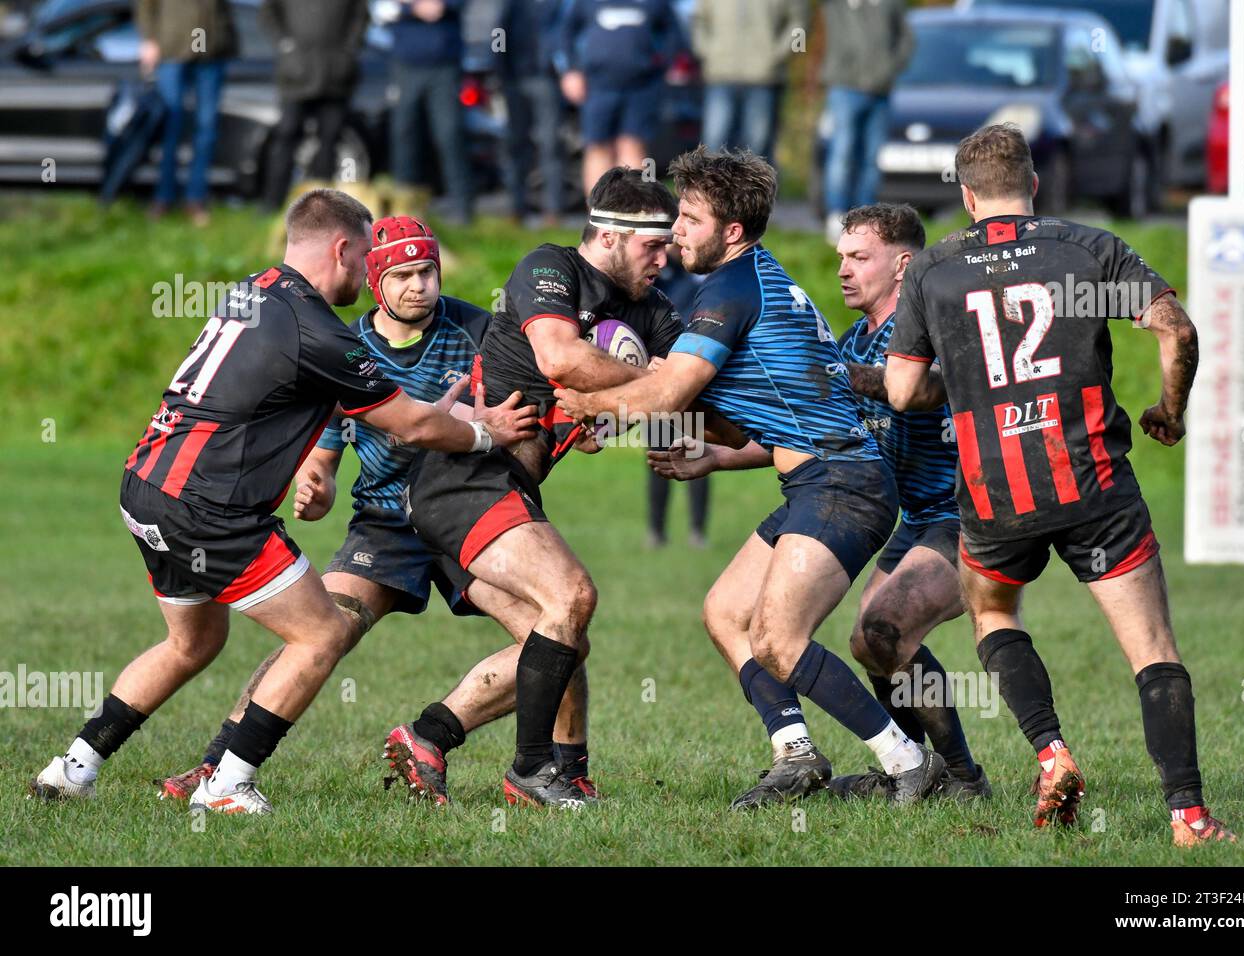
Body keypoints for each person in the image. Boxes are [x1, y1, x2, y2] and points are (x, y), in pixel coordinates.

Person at [28, 190, 536, 814]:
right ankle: (227, 786)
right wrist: (488, 432)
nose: (371, 274)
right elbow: (415, 425)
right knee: (320, 632)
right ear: (344, 250)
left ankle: (72, 768)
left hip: (145, 486)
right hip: (208, 507)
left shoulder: (252, 290)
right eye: (369, 259)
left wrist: (315, 469)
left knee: (192, 642)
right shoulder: (322, 333)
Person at [556, 147, 946, 810]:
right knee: (725, 614)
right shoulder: (757, 282)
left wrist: (585, 403)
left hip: (843, 484)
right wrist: (702, 447)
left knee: (778, 638)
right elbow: (740, 415)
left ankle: (911, 762)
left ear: (731, 232)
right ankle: (795, 753)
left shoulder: (733, 292)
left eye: (690, 219)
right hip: (818, 482)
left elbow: (668, 395)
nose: (675, 231)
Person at [151, 215, 586, 805]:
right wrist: (316, 488)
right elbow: (322, 461)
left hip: (469, 514)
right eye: (402, 274)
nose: (418, 286)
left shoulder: (479, 329)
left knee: (559, 634)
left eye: (427, 271)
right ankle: (217, 764)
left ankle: (532, 761)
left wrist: (576, 417)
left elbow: (540, 389)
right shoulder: (342, 349)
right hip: (384, 523)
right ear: (376, 280)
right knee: (319, 631)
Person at [883, 123, 1235, 845]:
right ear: (1035, 184)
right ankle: (1190, 818)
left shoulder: (934, 268)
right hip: (1095, 484)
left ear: (968, 194)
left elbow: (901, 389)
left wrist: (971, 388)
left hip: (994, 494)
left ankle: (1052, 753)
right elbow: (1178, 330)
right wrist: (1169, 412)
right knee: (1153, 649)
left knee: (993, 616)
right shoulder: (1087, 246)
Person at [393, 167, 740, 807]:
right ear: (608, 236)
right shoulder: (549, 268)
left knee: (559, 639)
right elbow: (560, 358)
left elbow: (711, 410)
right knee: (573, 594)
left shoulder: (656, 309)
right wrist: (653, 385)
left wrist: (674, 402)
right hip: (463, 478)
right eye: (652, 247)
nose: (666, 261)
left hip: (509, 486)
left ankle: (435, 739)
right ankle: (531, 771)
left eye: (670, 246)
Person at [555, 0, 689, 194]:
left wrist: (665, 64)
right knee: (597, 147)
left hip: (642, 86)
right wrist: (570, 71)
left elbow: (674, 35)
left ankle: (630, 213)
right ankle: (597, 214)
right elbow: (565, 33)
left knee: (632, 146)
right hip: (597, 86)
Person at [259, 0, 370, 210]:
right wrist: (285, 45)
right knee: (287, 134)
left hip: (335, 75)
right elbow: (268, 13)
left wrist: (348, 49)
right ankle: (272, 203)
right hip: (296, 74)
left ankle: (321, 209)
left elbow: (361, 16)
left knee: (329, 140)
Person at [135, 0, 236, 225]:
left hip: (211, 51)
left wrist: (227, 42)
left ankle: (195, 199)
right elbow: (146, 5)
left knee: (206, 129)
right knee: (171, 125)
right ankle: (164, 196)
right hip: (173, 47)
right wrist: (149, 39)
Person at [819, 0, 913, 244]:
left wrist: (889, 69)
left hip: (880, 92)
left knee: (871, 158)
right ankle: (836, 214)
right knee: (842, 153)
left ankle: (866, 220)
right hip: (844, 88)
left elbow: (907, 41)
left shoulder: (889, 5)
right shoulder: (838, 6)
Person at [383, 0, 475, 224]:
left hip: (445, 65)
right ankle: (403, 212)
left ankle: (462, 208)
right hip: (406, 64)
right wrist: (413, 8)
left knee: (449, 134)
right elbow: (382, 9)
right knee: (404, 134)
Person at [646, 245, 708, 548]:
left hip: (692, 379)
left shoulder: (700, 270)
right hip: (658, 377)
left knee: (695, 453)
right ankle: (656, 531)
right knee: (659, 455)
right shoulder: (656, 273)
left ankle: (697, 530)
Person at [692, 0, 805, 164]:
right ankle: (710, 190)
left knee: (758, 150)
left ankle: (756, 190)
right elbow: (698, 20)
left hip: (764, 78)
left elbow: (799, 22)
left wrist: (779, 55)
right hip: (720, 75)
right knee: (712, 146)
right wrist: (706, 51)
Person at [498, 0, 567, 224]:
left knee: (551, 144)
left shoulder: (560, 5)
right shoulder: (513, 5)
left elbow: (566, 34)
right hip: (515, 79)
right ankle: (517, 209)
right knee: (517, 144)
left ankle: (553, 211)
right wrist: (500, 73)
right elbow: (499, 33)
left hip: (547, 79)